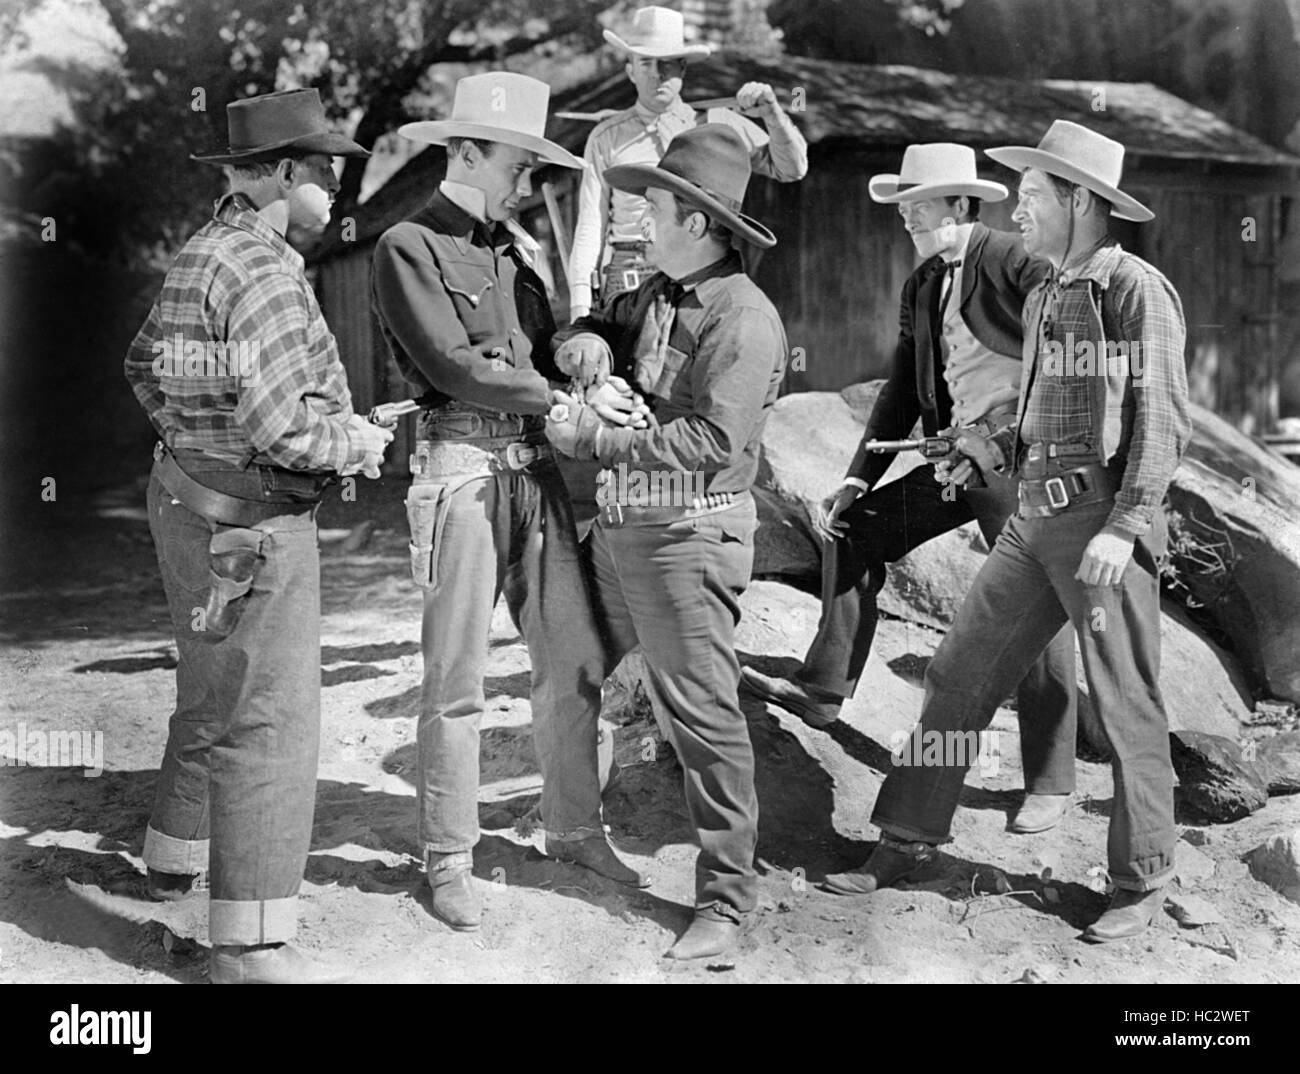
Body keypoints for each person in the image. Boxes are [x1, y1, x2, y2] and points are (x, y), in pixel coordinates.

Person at [833, 121, 1191, 944]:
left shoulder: (1135, 290)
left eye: (1033, 194)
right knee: (958, 672)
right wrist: (983, 449)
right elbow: (1037, 417)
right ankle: (908, 834)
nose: (1019, 209)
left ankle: (1143, 880)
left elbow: (1162, 420)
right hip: (1032, 519)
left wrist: (1128, 522)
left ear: (1080, 201)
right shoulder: (1044, 294)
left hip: (1101, 523)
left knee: (1129, 703)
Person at [123, 88, 392, 983]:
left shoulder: (199, 255)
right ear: (281, 174)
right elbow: (284, 427)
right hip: (256, 521)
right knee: (270, 721)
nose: (333, 188)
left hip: (183, 500)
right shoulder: (269, 273)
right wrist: (357, 441)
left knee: (208, 689)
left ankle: (171, 855)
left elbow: (141, 367)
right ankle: (246, 944)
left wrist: (196, 443)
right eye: (324, 170)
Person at [370, 72, 646, 933]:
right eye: (516, 160)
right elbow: (455, 366)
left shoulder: (518, 246)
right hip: (460, 472)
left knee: (570, 660)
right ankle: (448, 859)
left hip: (533, 474)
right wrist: (560, 402)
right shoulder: (405, 246)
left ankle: (572, 825)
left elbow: (541, 341)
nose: (529, 177)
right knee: (456, 682)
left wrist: (584, 347)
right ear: (464, 151)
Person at [740, 143, 1079, 842]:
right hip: (956, 460)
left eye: (916, 206)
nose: (905, 219)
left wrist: (1011, 427)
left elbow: (1065, 351)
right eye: (901, 209)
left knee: (1036, 606)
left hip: (1021, 463)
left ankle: (1050, 780)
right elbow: (902, 381)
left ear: (959, 204)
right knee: (854, 529)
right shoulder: (924, 282)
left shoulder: (1018, 261)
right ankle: (825, 687)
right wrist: (860, 471)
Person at [545, 125, 787, 961]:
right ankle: (571, 827)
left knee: (701, 715)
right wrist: (581, 343)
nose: (640, 217)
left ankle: (726, 898)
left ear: (695, 219)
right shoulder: (658, 291)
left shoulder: (745, 319)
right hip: (622, 532)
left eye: (652, 204)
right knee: (567, 659)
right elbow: (598, 326)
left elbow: (714, 445)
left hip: (688, 534)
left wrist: (595, 441)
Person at [566, 4, 807, 320]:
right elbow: (590, 224)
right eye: (646, 62)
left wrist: (773, 115)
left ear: (683, 69)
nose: (656, 74)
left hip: (700, 268)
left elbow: (792, 168)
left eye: (667, 63)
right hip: (629, 274)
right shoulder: (606, 136)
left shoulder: (717, 125)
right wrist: (580, 306)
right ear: (630, 71)